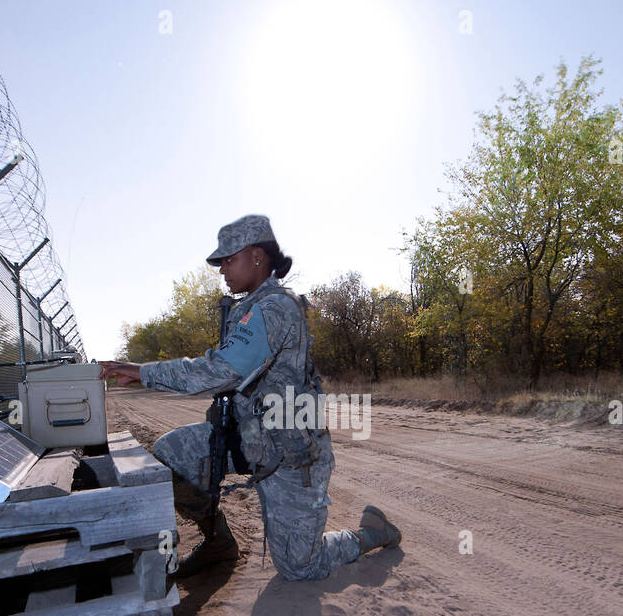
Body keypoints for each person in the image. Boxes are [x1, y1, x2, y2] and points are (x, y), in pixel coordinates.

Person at [99, 214, 400, 581]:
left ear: (257, 257)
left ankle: (372, 532)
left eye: (229, 259)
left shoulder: (277, 309)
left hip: (290, 453)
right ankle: (218, 543)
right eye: (220, 262)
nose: (222, 269)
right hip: (249, 437)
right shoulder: (249, 308)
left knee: (300, 567)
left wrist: (142, 371)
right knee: (169, 454)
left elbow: (220, 370)